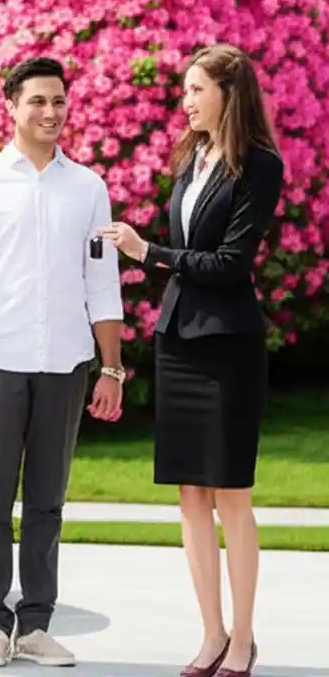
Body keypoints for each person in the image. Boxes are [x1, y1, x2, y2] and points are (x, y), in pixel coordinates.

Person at [96, 43, 282, 677]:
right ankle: (211, 634)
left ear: (227, 93)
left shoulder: (259, 166)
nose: (185, 99)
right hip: (178, 341)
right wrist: (148, 251)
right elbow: (188, 249)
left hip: (227, 348)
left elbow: (230, 265)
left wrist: (147, 253)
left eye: (195, 89)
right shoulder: (192, 158)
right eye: (184, 89)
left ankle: (243, 638)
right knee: (190, 497)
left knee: (231, 496)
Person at [0, 56, 125, 667]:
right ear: (11, 107)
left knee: (48, 497)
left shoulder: (89, 188)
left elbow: (102, 284)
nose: (50, 112)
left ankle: (38, 622)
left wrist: (111, 367)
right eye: (37, 102)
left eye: (58, 101)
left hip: (68, 362)